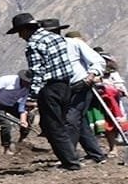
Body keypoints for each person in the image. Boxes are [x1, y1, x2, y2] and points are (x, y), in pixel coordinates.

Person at [7, 12, 83, 170]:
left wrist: (32, 96)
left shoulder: (34, 44)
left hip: (50, 88)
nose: (20, 36)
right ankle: (71, 157)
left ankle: (70, 162)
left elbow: (38, 72)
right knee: (60, 123)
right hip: (65, 85)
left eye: (20, 32)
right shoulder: (57, 38)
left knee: (52, 126)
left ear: (26, 29)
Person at [41, 19, 107, 163]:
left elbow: (98, 61)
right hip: (60, 89)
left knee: (71, 120)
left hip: (80, 86)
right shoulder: (44, 48)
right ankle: (96, 154)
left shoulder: (75, 44)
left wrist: (91, 75)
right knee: (79, 122)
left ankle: (69, 157)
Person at [0, 69, 33, 154]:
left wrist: (23, 120)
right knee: (6, 125)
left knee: (30, 116)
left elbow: (22, 104)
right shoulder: (7, 80)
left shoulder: (28, 88)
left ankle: (22, 140)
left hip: (11, 104)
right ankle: (6, 148)